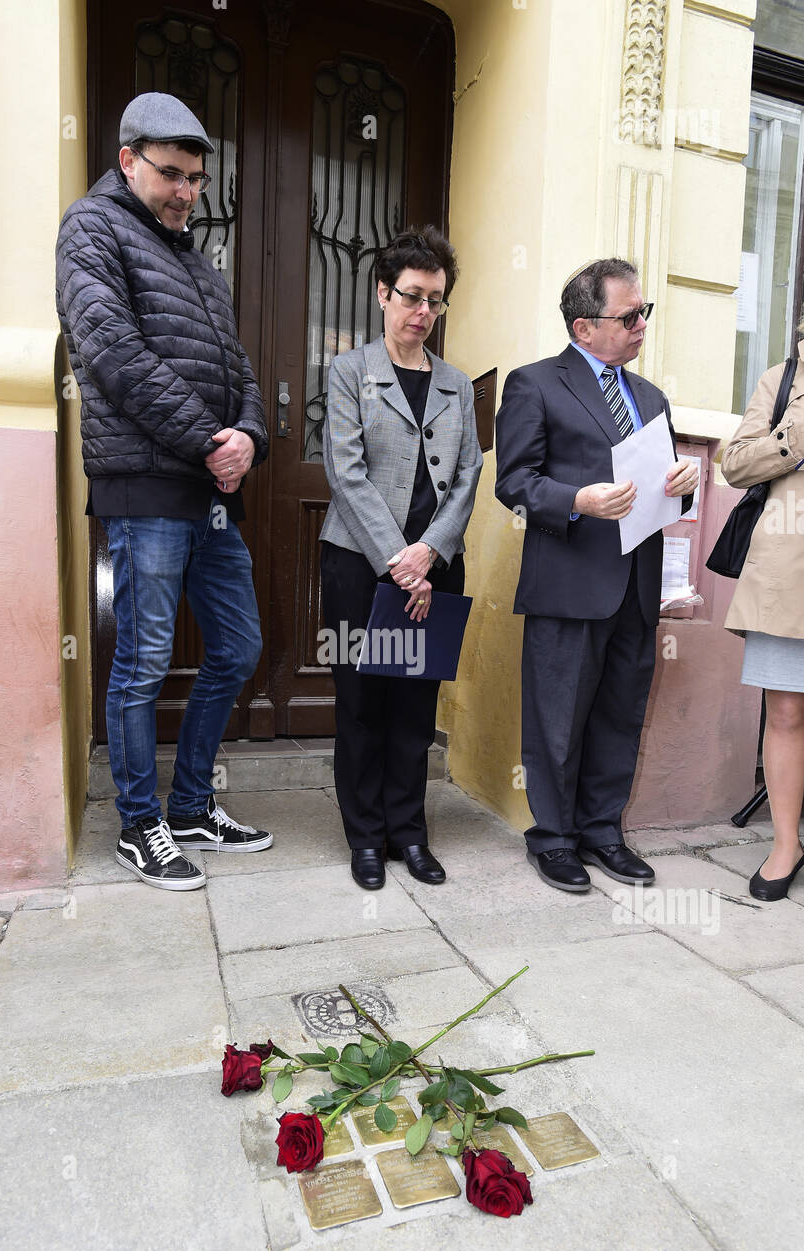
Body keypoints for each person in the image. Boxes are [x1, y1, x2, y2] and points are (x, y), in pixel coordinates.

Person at [56, 92, 272, 890]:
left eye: (196, 179)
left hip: (210, 488)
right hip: (146, 485)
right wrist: (210, 441)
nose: (186, 192)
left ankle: (189, 806)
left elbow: (239, 370)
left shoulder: (197, 262)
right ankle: (138, 823)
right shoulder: (91, 227)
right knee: (143, 661)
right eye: (170, 174)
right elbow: (111, 351)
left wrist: (248, 433)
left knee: (239, 646)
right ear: (126, 160)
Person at [495, 258, 697, 893]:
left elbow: (660, 488)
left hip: (636, 583)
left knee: (618, 712)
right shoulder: (534, 384)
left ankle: (602, 831)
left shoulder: (651, 397)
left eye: (645, 313)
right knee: (558, 719)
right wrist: (576, 501)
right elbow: (513, 483)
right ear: (583, 327)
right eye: (629, 316)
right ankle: (552, 838)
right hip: (569, 579)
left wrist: (684, 489)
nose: (641, 326)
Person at [319, 227, 483, 890]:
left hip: (434, 566)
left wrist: (428, 553)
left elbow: (469, 474)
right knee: (361, 704)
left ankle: (408, 833)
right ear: (382, 293)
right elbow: (344, 470)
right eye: (411, 296)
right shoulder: (348, 372)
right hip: (360, 564)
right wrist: (396, 559)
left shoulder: (457, 384)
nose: (422, 312)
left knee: (415, 708)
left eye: (434, 301)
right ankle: (365, 838)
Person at [722, 325, 804, 900]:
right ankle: (785, 844)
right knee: (787, 713)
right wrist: (793, 437)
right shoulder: (781, 383)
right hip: (787, 576)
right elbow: (735, 465)